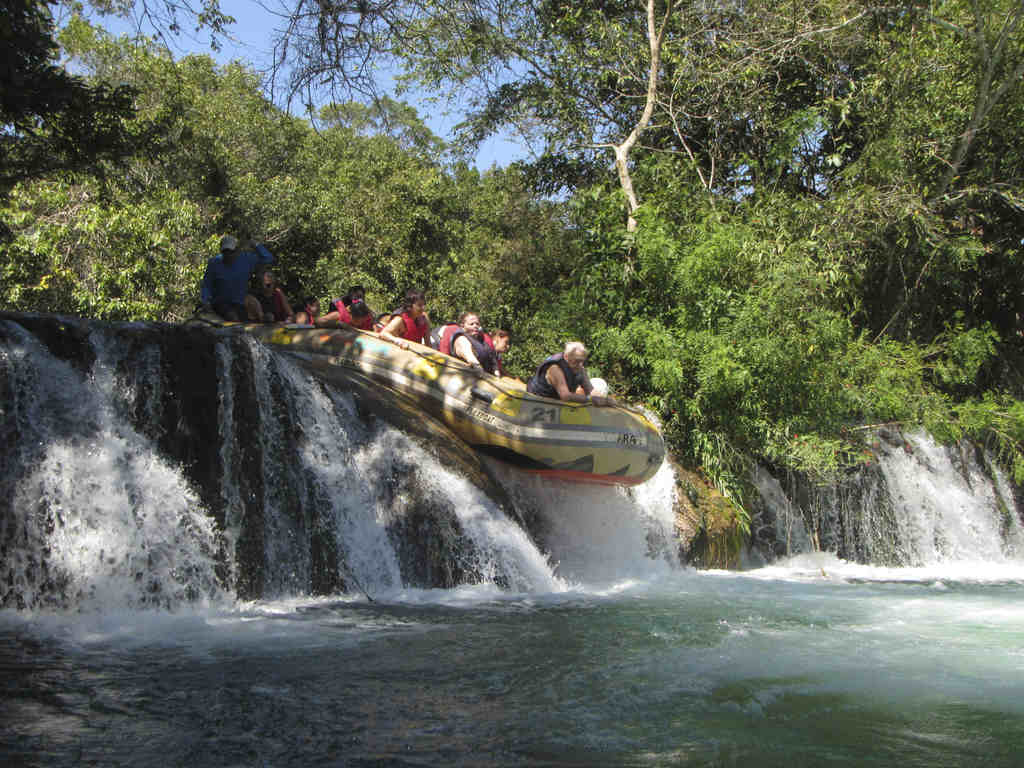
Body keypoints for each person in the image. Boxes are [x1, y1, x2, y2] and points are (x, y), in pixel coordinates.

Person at [200, 235, 274, 322]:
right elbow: (206, 284)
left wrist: (255, 244)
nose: (228, 254)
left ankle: (262, 319)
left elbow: (268, 258)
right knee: (233, 317)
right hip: (221, 303)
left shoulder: (246, 259)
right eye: (225, 251)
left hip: (239, 303)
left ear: (236, 251)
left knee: (249, 316)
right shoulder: (214, 262)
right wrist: (205, 301)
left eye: (230, 251)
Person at [526, 341, 616, 406]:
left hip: (555, 403)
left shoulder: (580, 368)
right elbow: (565, 396)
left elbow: (591, 391)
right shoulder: (555, 369)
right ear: (566, 356)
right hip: (536, 400)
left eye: (582, 361)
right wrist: (590, 399)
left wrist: (606, 400)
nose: (580, 365)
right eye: (577, 361)